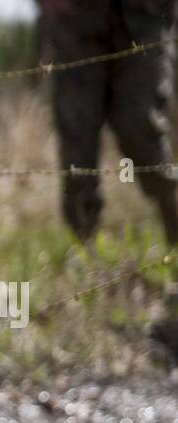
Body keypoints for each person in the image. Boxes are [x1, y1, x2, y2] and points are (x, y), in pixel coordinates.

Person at [40, 0, 178, 244]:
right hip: (77, 19)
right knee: (77, 137)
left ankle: (173, 217)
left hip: (146, 15)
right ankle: (83, 251)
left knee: (141, 126)